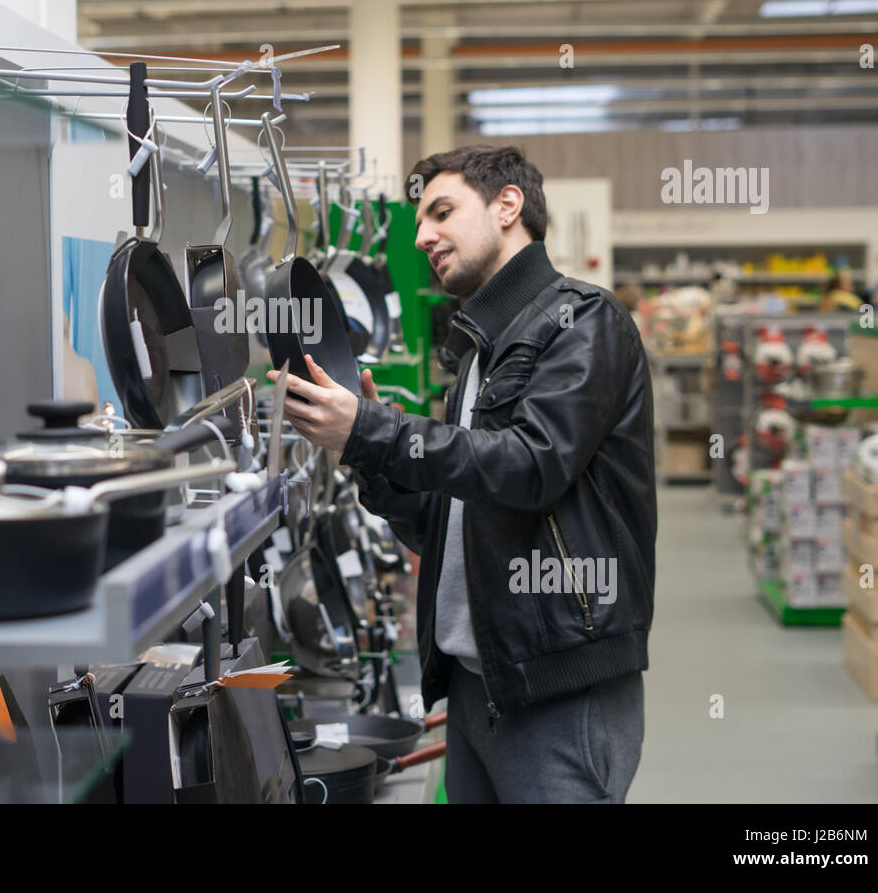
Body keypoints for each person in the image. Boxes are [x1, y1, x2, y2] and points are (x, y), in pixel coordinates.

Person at [269, 145, 656, 804]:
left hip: (557, 691)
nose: (422, 237)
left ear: (509, 206)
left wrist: (372, 429)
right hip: (480, 685)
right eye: (421, 220)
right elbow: (449, 525)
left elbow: (531, 465)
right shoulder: (480, 354)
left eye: (442, 212)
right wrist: (366, 451)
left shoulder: (585, 322)